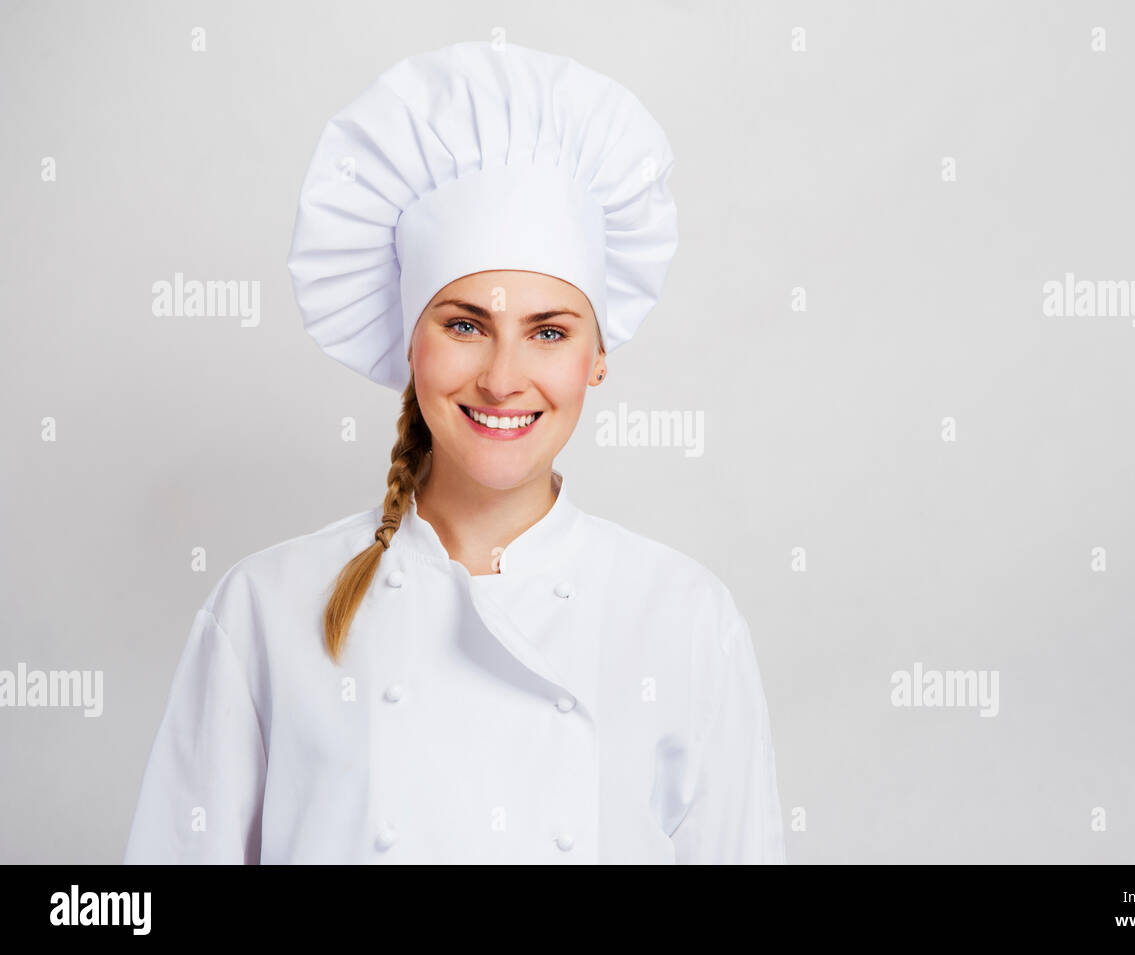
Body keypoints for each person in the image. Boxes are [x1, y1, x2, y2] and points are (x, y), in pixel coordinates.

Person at [122, 39, 785, 864]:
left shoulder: (685, 619)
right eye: (465, 324)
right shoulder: (264, 609)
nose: (504, 378)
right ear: (412, 342)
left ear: (598, 357)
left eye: (548, 331)